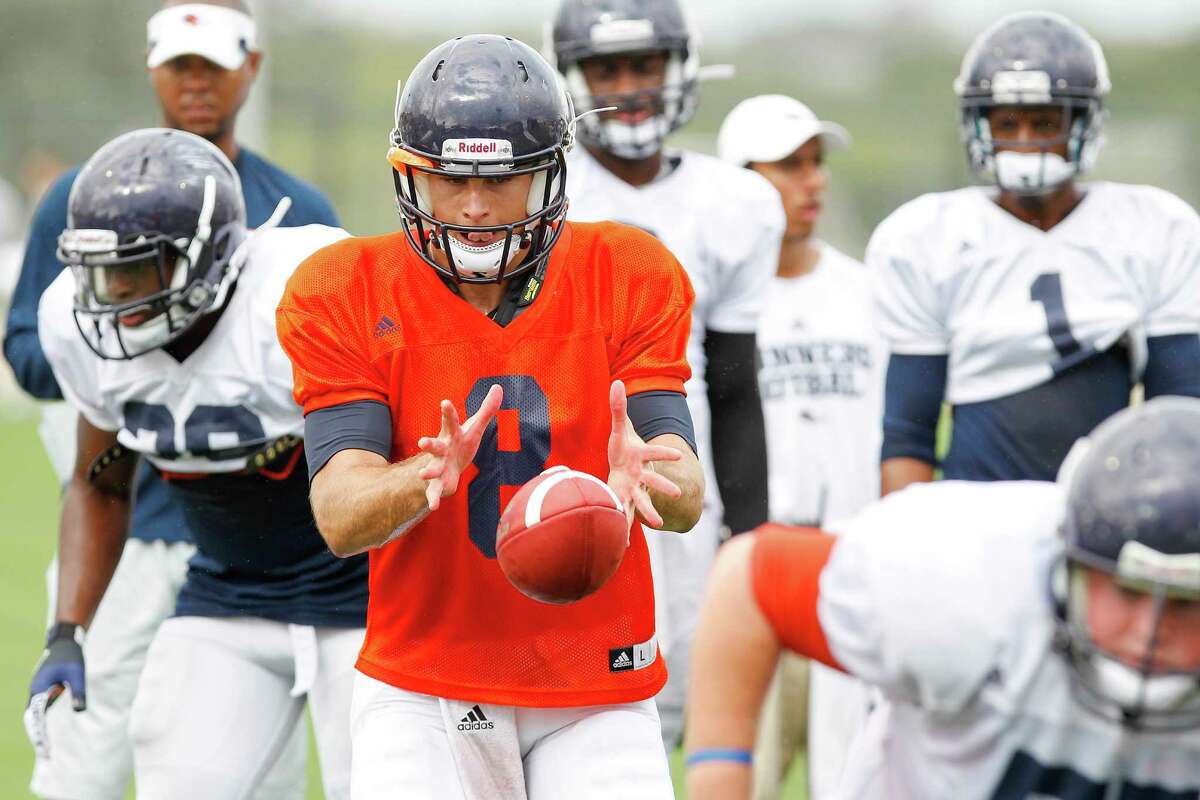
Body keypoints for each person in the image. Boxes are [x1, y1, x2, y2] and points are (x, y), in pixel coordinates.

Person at [275, 35, 705, 799]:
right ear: (412, 177)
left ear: (549, 177)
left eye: (500, 182)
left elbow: (686, 495)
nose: (472, 208)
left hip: (595, 680)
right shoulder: (346, 288)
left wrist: (656, 478)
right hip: (425, 684)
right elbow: (339, 517)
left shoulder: (626, 270)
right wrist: (420, 478)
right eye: (449, 180)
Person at [4, 2, 339, 797]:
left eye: (212, 67)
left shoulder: (298, 230)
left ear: (249, 68)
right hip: (161, 522)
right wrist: (155, 386)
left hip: (316, 560)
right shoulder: (90, 208)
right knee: (105, 752)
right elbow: (44, 368)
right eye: (180, 65)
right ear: (153, 68)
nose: (196, 83)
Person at [686, 397, 1200, 798]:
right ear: (1071, 561)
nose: (1150, 628)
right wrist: (719, 780)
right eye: (1129, 590)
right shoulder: (966, 584)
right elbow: (748, 579)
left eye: (1186, 604)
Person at [548, 0, 784, 748]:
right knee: (565, 713)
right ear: (573, 79)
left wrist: (748, 532)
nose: (628, 85)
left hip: (680, 488)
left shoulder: (736, 203)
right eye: (605, 68)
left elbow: (735, 384)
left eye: (643, 65)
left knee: (688, 718)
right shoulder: (543, 190)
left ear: (678, 68)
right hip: (560, 481)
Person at [870, 11, 1200, 497]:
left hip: (1104, 511)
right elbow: (908, 435)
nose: (1025, 142)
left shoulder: (1154, 228)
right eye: (1008, 123)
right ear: (981, 126)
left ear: (1083, 124)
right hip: (974, 515)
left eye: (1044, 122)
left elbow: (1180, 415)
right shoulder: (926, 238)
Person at [717, 95, 880, 800]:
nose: (813, 181)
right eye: (789, 166)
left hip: (852, 569)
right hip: (754, 574)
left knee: (854, 782)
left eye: (816, 164)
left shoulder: (868, 292)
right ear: (741, 180)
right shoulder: (717, 304)